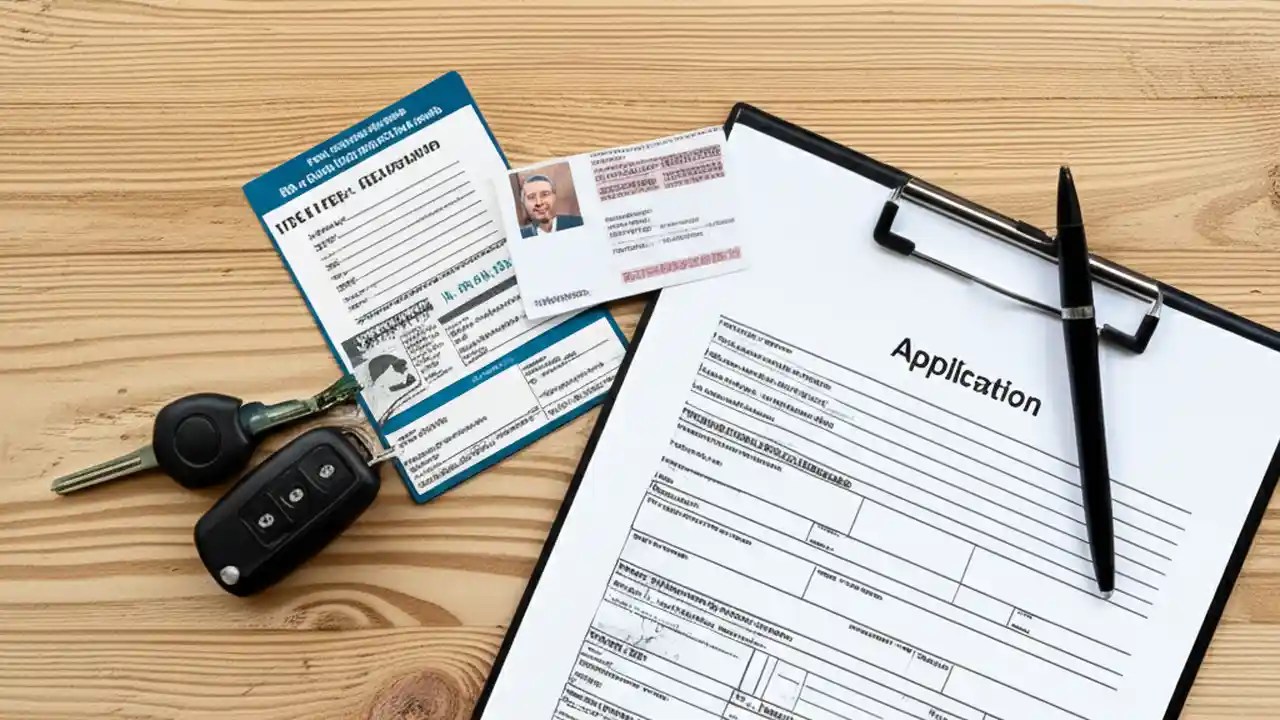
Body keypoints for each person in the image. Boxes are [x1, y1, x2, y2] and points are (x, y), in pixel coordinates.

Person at [518, 173, 583, 237]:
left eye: (545, 194)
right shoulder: (519, 236)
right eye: (531, 197)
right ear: (524, 203)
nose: (539, 202)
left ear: (554, 197)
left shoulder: (579, 223)